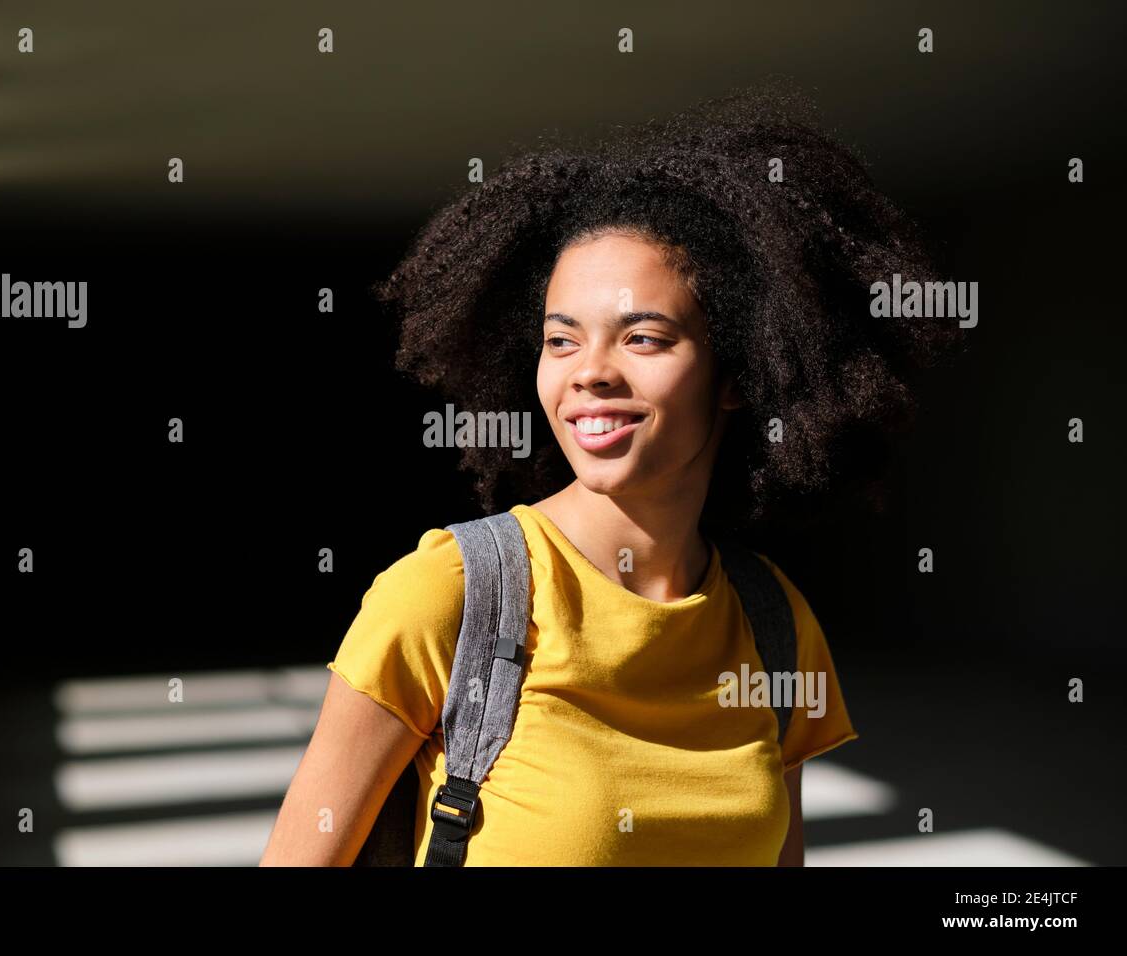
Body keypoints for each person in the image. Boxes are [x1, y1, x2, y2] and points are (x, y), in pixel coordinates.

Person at [260, 80, 962, 867]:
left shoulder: (774, 626)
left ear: (736, 373)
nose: (588, 373)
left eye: (644, 338)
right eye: (561, 341)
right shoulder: (451, 595)